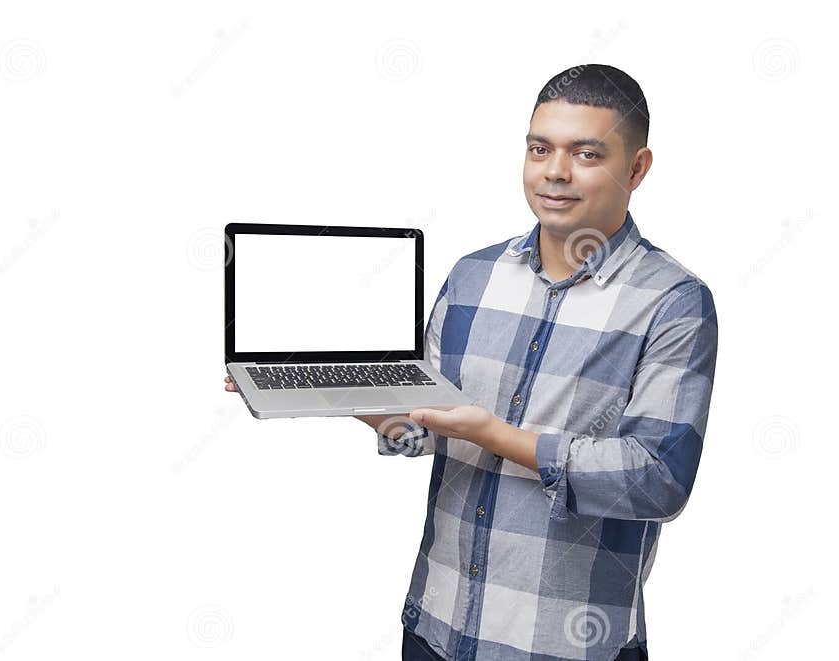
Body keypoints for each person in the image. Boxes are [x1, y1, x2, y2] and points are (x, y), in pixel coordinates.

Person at [225, 64, 717, 661]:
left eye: (586, 154)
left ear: (636, 169)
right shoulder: (473, 276)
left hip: (561, 646)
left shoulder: (672, 302)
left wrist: (495, 435)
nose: (555, 171)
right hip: (435, 629)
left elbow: (657, 480)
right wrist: (331, 389)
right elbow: (425, 431)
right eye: (540, 149)